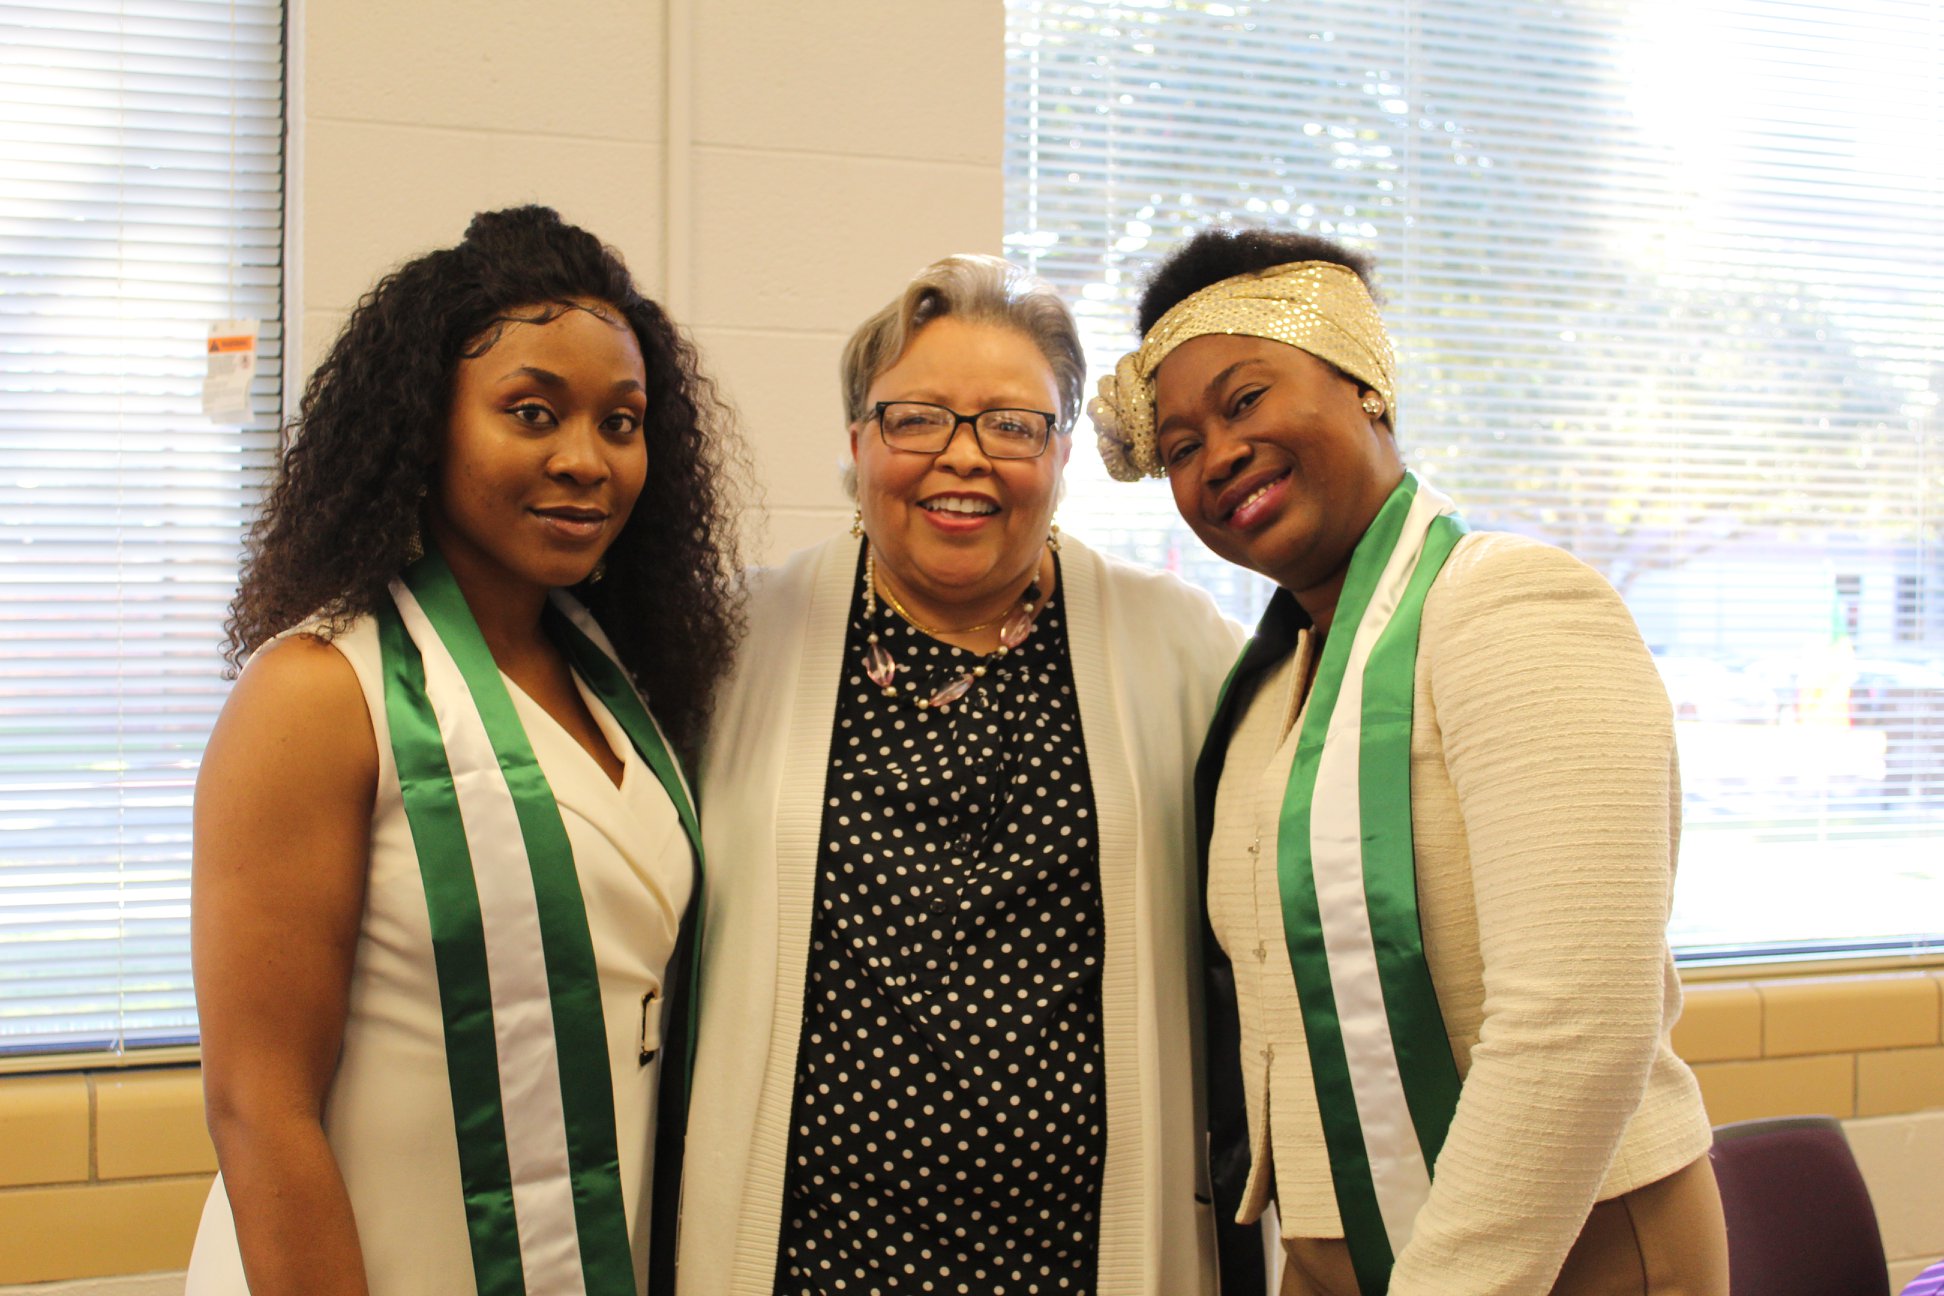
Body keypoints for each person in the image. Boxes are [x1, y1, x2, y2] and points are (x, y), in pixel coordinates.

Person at [1089, 228, 1729, 1296]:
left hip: (1571, 1247)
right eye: (1184, 443)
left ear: (1366, 387)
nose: (1218, 457)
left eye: (1245, 401)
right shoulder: (1264, 696)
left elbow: (1581, 1022)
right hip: (1334, 1251)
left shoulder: (1512, 607)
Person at [185, 205, 742, 1296]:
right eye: (531, 413)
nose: (585, 460)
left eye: (621, 423)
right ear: (422, 425)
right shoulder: (318, 692)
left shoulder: (613, 677)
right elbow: (260, 1104)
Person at [676, 254, 1248, 1295]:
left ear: (1063, 453)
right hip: (812, 1260)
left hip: (1084, 1257)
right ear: (858, 443)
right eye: (918, 419)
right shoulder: (735, 639)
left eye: (1012, 424)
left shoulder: (1179, 646)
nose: (964, 456)